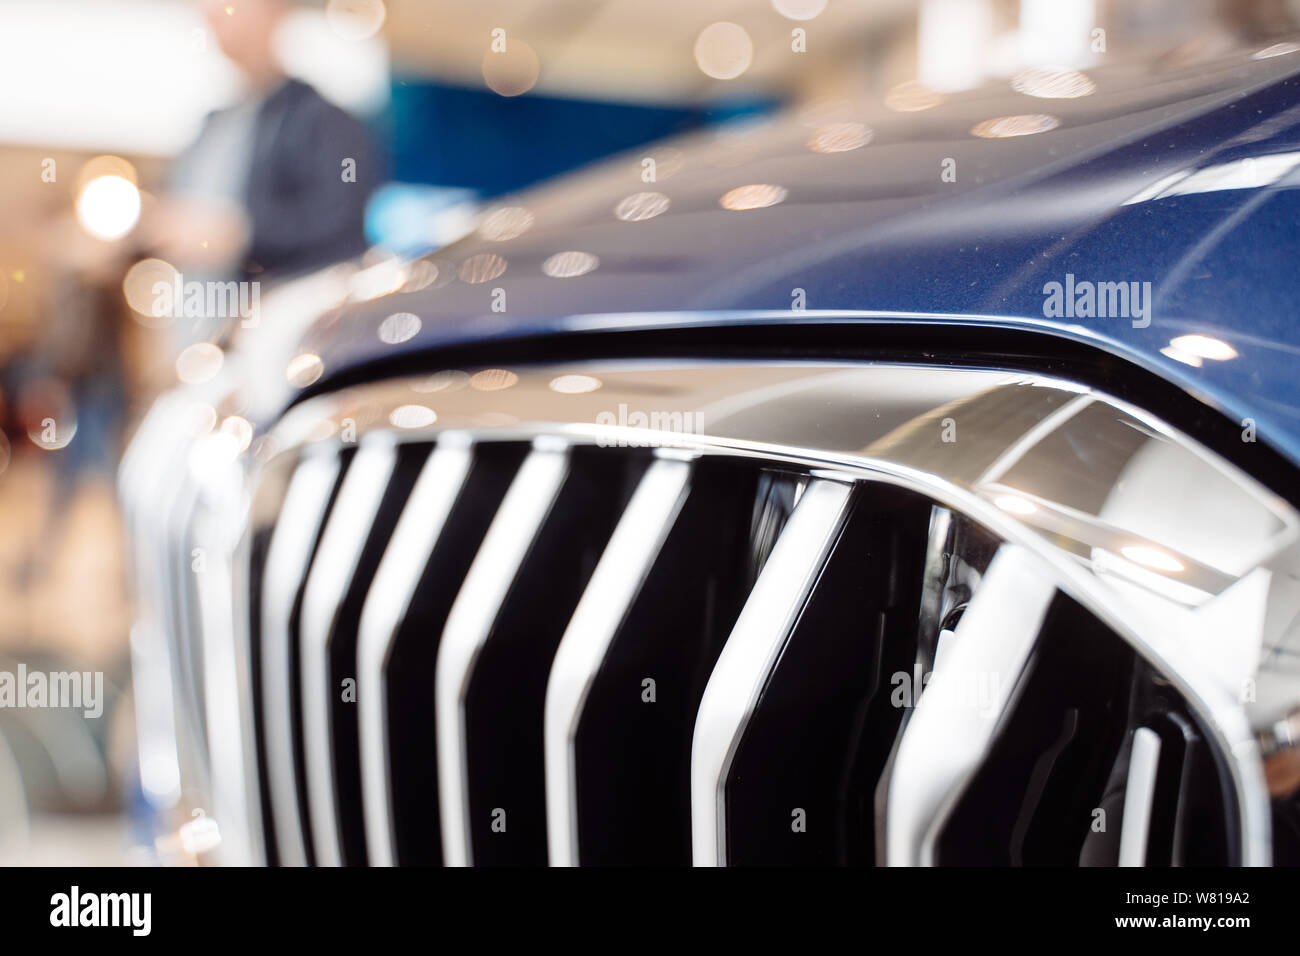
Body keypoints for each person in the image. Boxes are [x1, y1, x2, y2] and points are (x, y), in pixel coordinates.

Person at [150, 0, 379, 288]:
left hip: (278, 307)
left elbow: (339, 231)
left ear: (274, 9)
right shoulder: (212, 124)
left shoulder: (326, 122)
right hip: (201, 306)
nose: (216, 13)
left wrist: (240, 235)